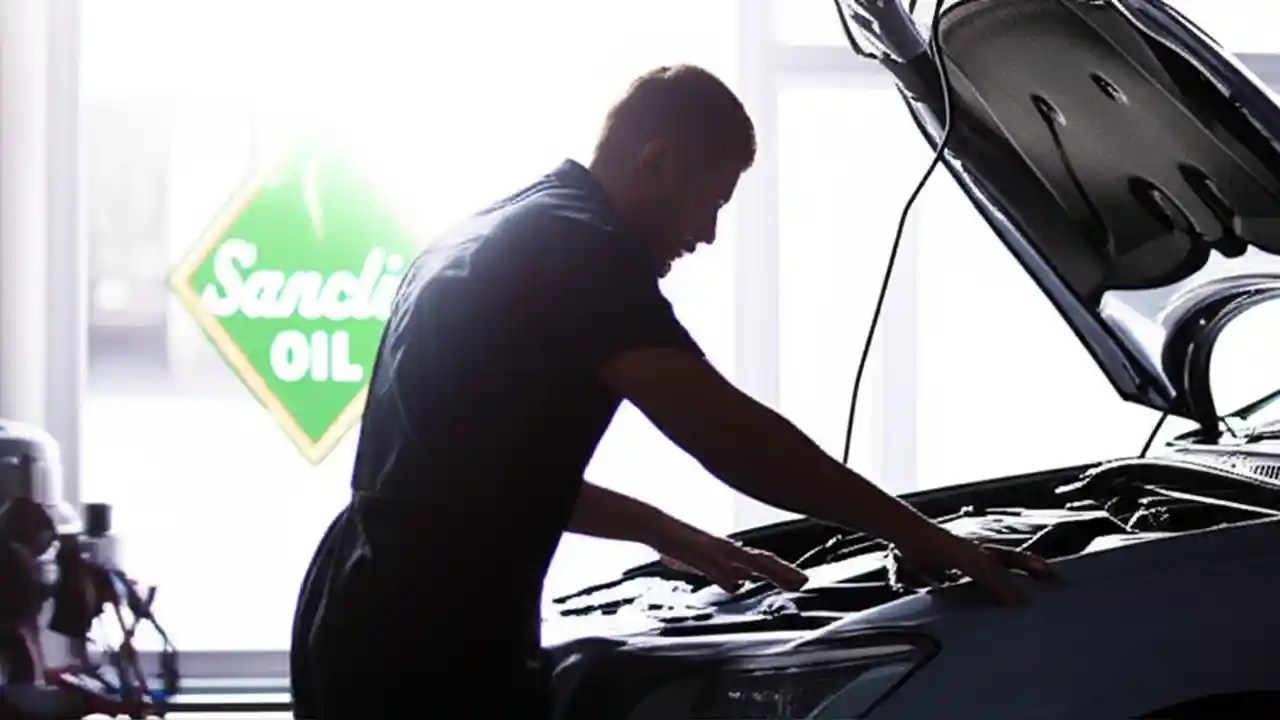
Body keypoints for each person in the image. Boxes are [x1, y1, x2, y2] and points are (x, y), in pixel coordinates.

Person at [288, 64, 1054, 720]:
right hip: (429, 635)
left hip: (364, 600)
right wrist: (921, 535)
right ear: (654, 163)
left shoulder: (497, 226)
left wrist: (671, 534)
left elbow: (474, 475)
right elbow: (729, 434)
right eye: (712, 201)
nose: (710, 234)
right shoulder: (581, 251)